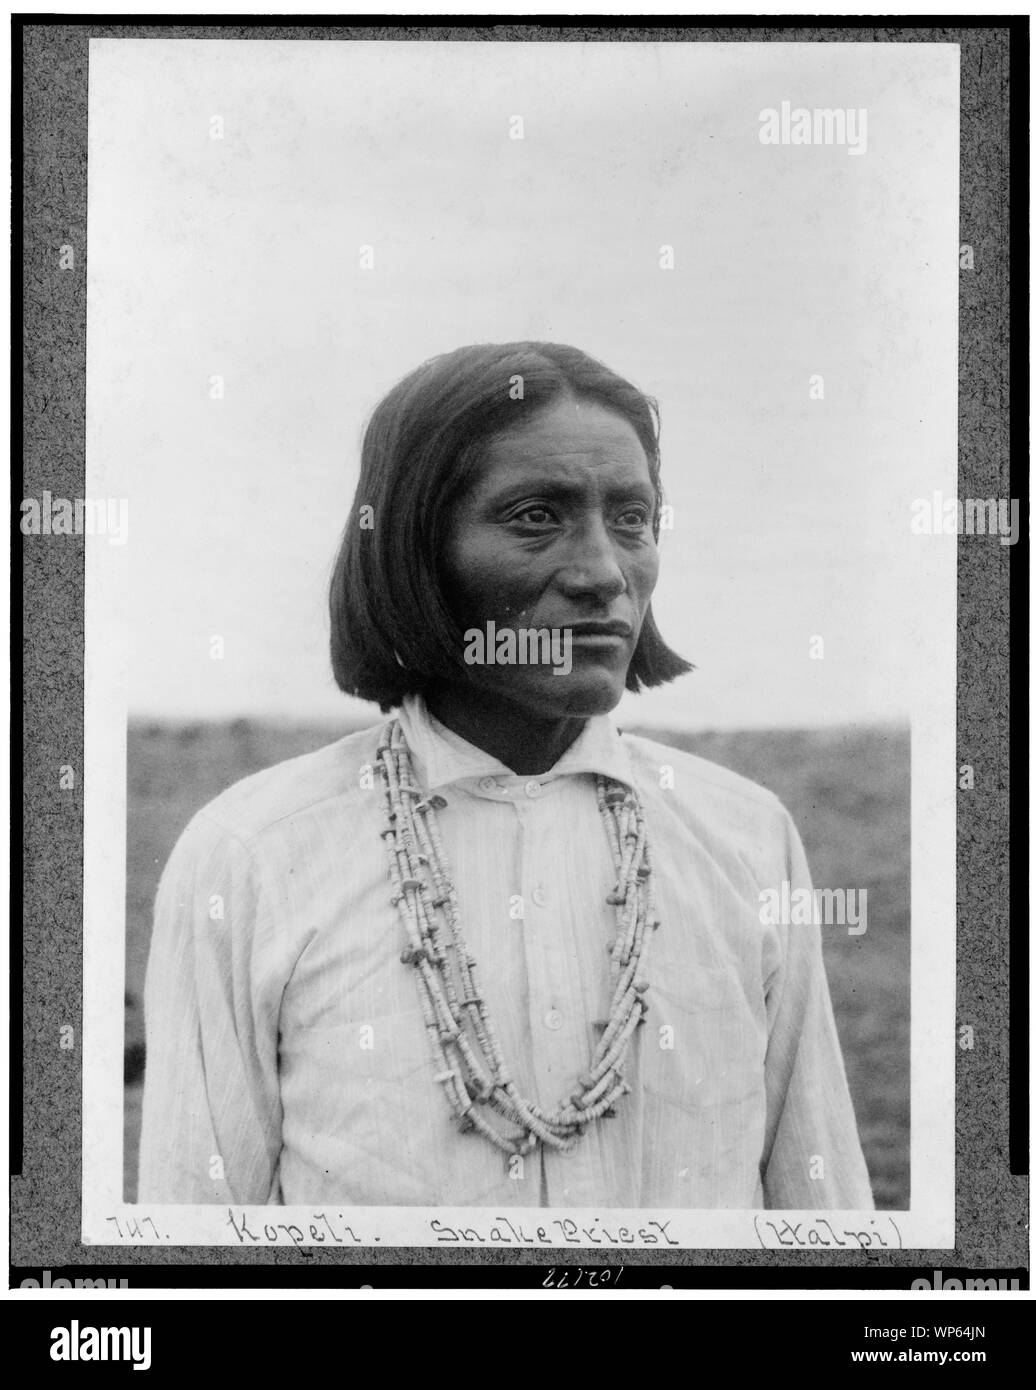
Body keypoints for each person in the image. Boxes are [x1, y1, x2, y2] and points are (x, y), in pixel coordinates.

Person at [138, 341, 873, 1210]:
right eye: (535, 516)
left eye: (632, 518)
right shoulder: (252, 856)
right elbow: (194, 1243)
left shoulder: (747, 840)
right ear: (417, 549)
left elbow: (825, 1227)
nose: (603, 572)